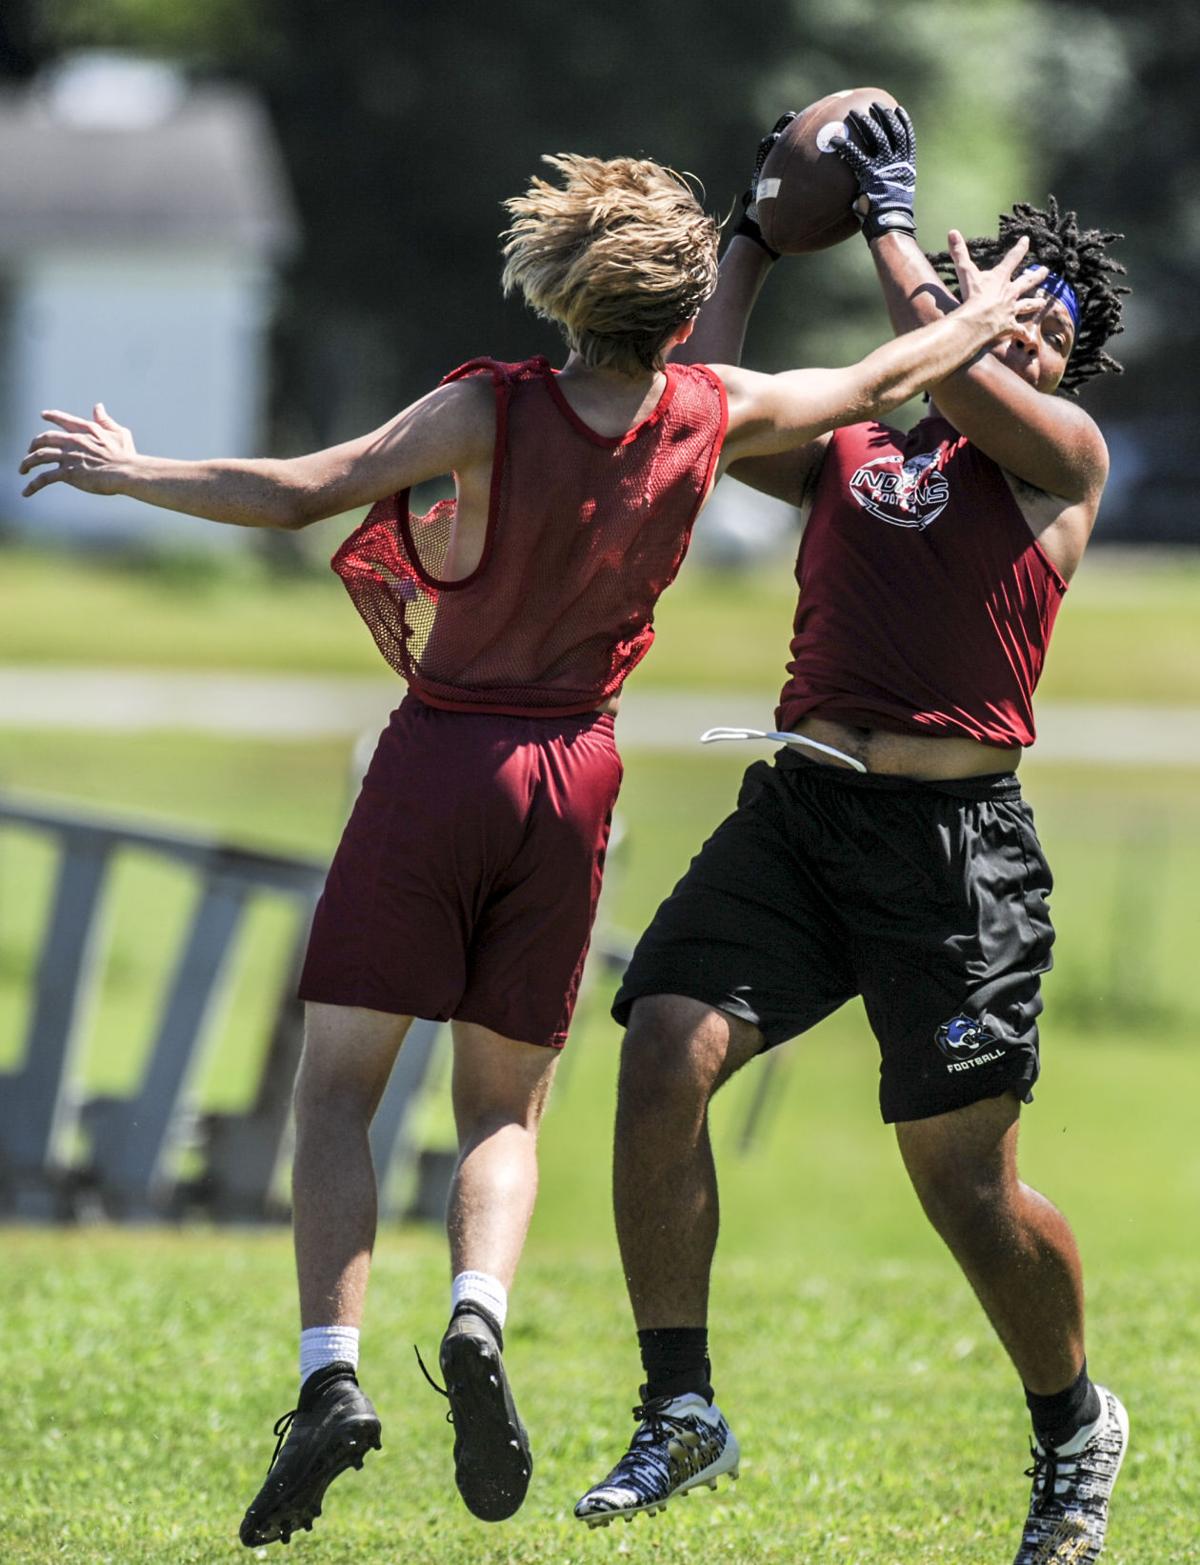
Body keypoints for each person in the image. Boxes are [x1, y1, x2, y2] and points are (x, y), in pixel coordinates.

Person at [20, 149, 1039, 1549]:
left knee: (334, 1096)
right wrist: (977, 318)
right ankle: (477, 1316)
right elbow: (870, 386)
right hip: (574, 780)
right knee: (503, 1108)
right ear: (681, 305)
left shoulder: (488, 408)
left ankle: (333, 1374)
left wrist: (131, 472)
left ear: (559, 283)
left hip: (440, 760)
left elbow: (304, 487)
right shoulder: (707, 407)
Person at [574, 108, 1130, 1565]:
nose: (1014, 330)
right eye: (994, 291)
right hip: (805, 815)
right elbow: (687, 401)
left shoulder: (1060, 458)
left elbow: (986, 391)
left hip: (956, 860)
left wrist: (894, 232)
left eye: (1042, 319)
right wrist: (755, 233)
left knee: (962, 1188)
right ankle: (679, 1404)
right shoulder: (857, 439)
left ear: (1067, 358)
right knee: (661, 1044)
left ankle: (1075, 1424)